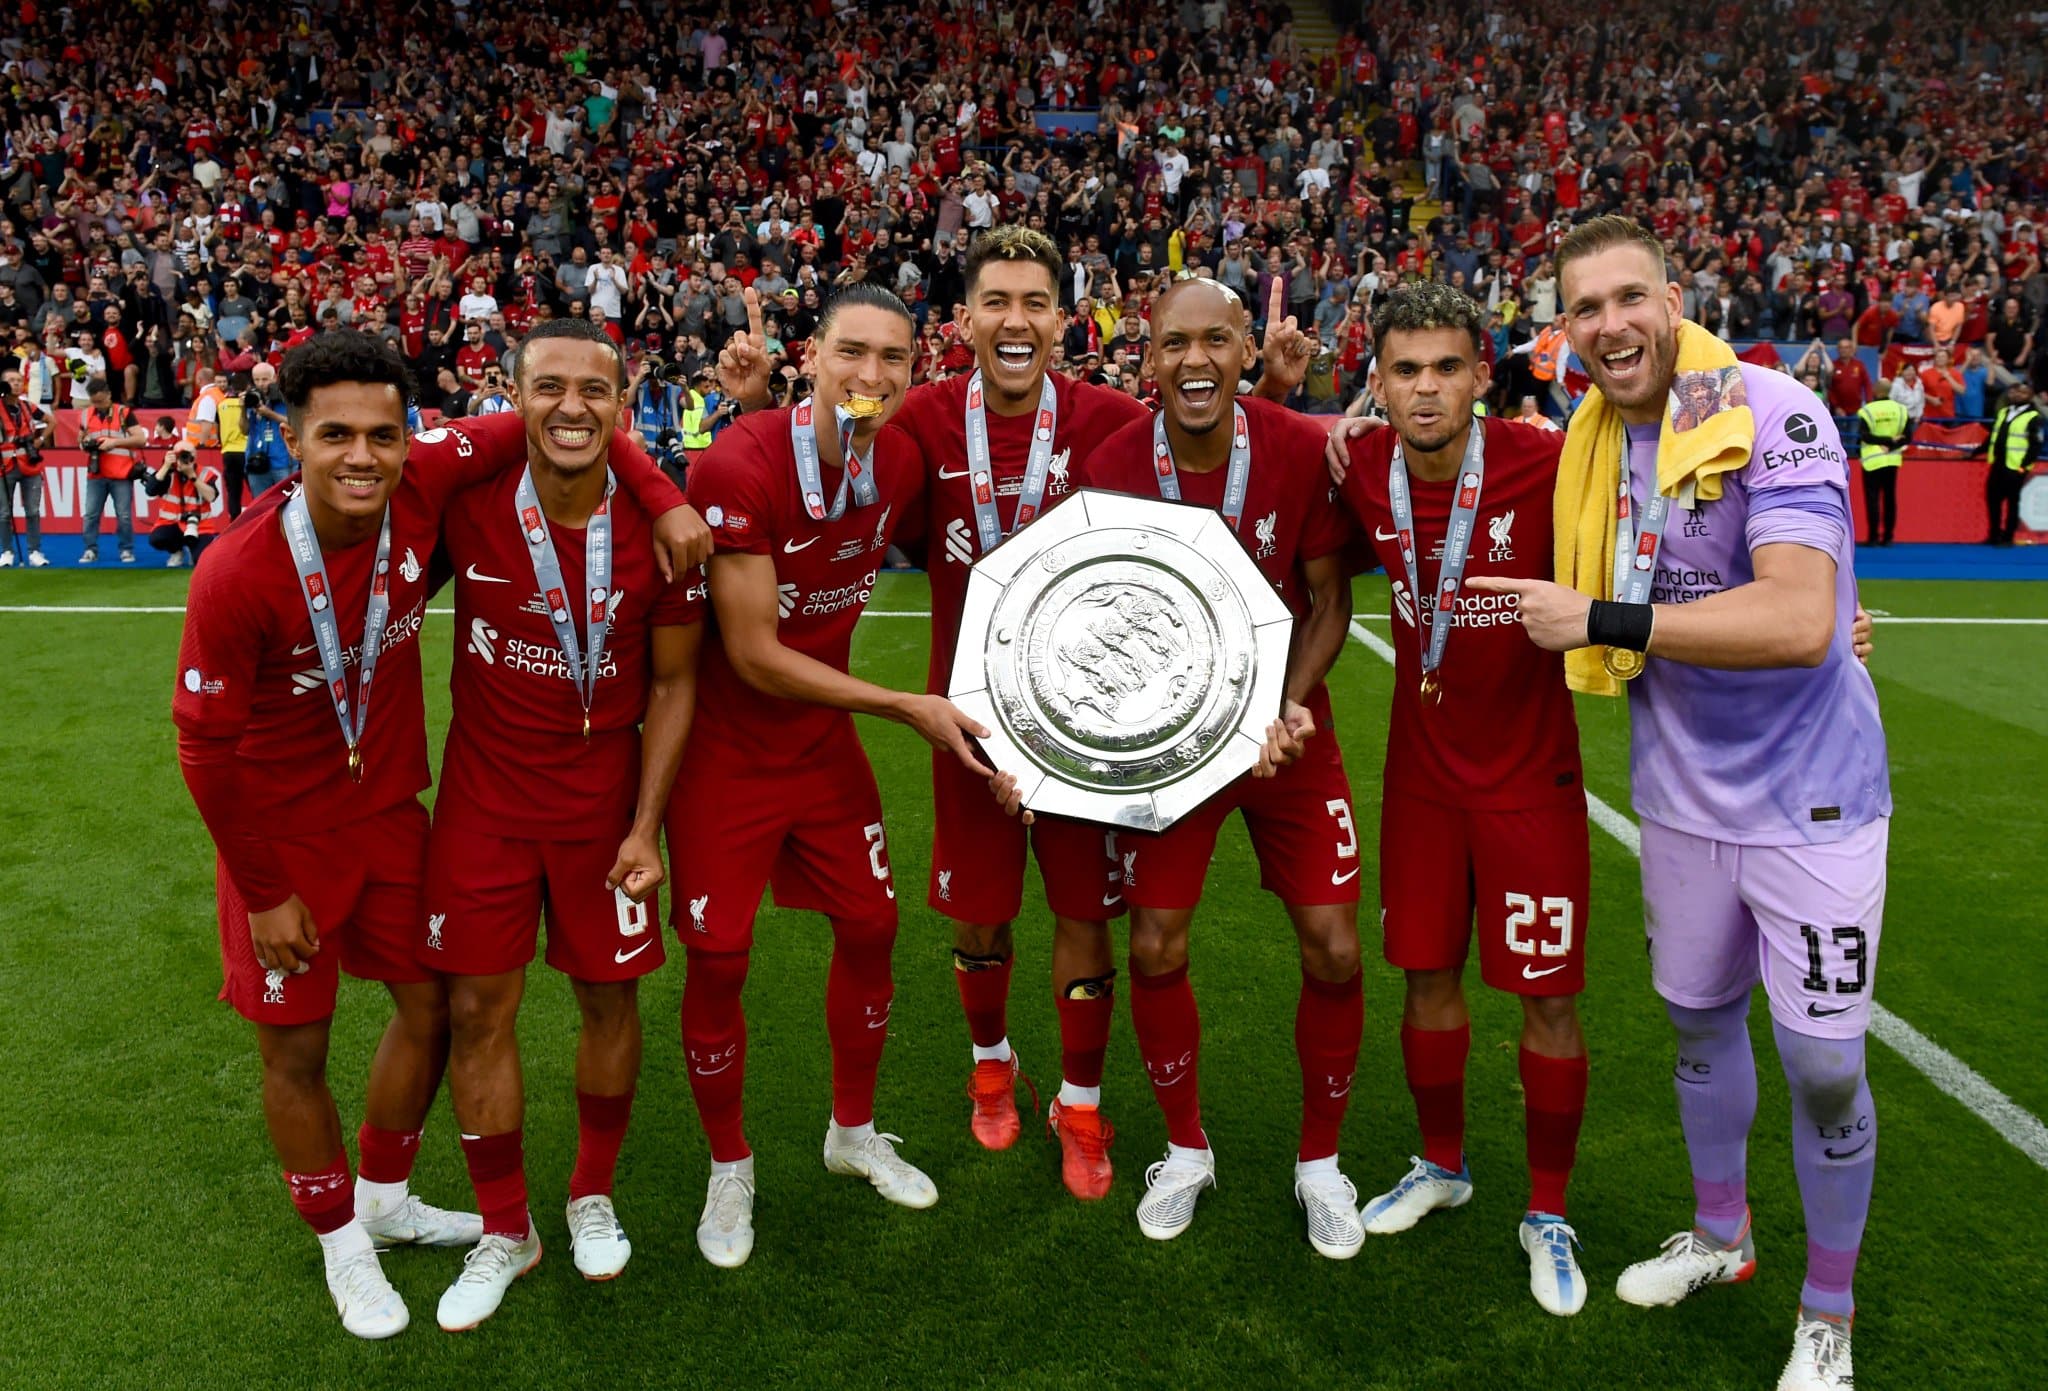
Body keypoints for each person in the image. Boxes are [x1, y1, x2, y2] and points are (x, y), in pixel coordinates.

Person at [716, 234, 1315, 1192]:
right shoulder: (916, 421)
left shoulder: (1117, 420)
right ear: (964, 323)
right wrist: (753, 407)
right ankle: (990, 1062)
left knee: (1085, 916)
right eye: (995, 300)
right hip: (970, 725)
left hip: (1089, 729)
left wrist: (1281, 397)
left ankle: (1079, 1103)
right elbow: (824, 466)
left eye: (1036, 302)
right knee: (981, 917)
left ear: (1064, 322)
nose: (1015, 321)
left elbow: (1227, 461)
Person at [172, 332, 701, 1342]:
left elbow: (575, 417)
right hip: (282, 842)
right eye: (334, 435)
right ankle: (342, 1242)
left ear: (411, 436)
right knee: (296, 1051)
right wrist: (262, 886)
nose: (361, 455)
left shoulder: (427, 483)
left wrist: (663, 490)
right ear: (290, 438)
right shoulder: (239, 571)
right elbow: (202, 748)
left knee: (430, 1011)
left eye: (380, 432)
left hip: (390, 816)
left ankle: (385, 1193)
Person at [1472, 216, 1890, 1391]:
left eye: (1628, 297)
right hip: (1680, 799)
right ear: (1562, 332)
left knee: (1819, 1063)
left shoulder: (1770, 410)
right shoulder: (1586, 441)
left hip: (1813, 802)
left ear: (1674, 299)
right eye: (1582, 308)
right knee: (1698, 1021)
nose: (1609, 325)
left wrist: (1603, 621)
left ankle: (1827, 1312)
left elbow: (1802, 621)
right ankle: (1722, 1239)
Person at [671, 284, 984, 1269]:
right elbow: (755, 653)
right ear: (813, 353)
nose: (872, 375)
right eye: (853, 351)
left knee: (872, 925)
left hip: (820, 753)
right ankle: (730, 1164)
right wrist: (905, 707)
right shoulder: (740, 461)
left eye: (893, 358)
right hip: (725, 754)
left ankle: (850, 1132)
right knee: (718, 959)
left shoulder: (894, 458)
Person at [1068, 278, 1364, 1255]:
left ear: (1246, 350)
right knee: (1154, 943)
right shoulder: (1111, 464)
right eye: (1172, 344)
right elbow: (1096, 614)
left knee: (1332, 947)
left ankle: (1319, 1160)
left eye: (1215, 342)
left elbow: (1328, 601)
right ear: (1145, 359)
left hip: (1283, 733)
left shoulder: (1289, 446)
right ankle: (1185, 1148)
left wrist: (1283, 702)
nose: (1193, 360)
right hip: (1173, 744)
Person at [425, 318, 706, 1331]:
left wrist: (647, 828)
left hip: (602, 818)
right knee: (474, 1015)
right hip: (483, 809)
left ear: (624, 408)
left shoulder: (660, 529)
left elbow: (674, 685)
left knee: (608, 1005)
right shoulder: (464, 506)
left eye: (596, 389)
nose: (572, 406)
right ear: (516, 397)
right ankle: (507, 1226)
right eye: (548, 386)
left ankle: (589, 1192)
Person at [1325, 282, 1592, 1316]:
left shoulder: (1547, 461)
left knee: (1547, 997)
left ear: (1484, 373)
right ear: (1377, 382)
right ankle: (1441, 1163)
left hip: (1532, 784)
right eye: (1404, 369)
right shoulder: (1352, 464)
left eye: (1445, 367)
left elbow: (1661, 541)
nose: (1425, 387)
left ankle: (1548, 1208)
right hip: (1423, 785)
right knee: (1424, 979)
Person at [77, 376, 147, 564]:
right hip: (96, 472)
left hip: (121, 473)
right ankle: (90, 549)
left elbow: (141, 439)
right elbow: (81, 439)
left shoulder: (124, 412)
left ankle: (126, 549)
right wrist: (85, 444)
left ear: (109, 395)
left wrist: (114, 442)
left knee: (123, 515)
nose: (98, 405)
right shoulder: (85, 415)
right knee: (91, 514)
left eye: (101, 400)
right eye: (94, 401)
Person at [140, 441, 223, 567]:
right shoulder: (168, 473)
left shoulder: (204, 473)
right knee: (157, 538)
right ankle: (176, 551)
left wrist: (192, 476)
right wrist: (166, 466)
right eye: (179, 455)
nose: (182, 460)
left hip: (200, 526)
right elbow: (150, 490)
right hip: (172, 524)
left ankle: (193, 549)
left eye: (186, 456)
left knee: (200, 561)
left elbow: (211, 496)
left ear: (194, 458)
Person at [0, 367, 52, 566]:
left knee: (32, 511)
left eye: (19, 380)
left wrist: (40, 441)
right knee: (4, 513)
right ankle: (6, 551)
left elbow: (51, 421)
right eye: (11, 380)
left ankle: (35, 551)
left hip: (29, 465)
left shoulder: (28, 407)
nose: (16, 384)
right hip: (5, 466)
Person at [1985, 383, 2040, 546]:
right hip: (1998, 463)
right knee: (1992, 499)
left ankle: (2008, 536)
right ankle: (1994, 534)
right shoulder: (2003, 412)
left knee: (2012, 502)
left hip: (2015, 466)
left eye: (2022, 392)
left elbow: (2035, 445)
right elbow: (1993, 435)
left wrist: (2023, 466)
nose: (2016, 395)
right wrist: (1977, 451)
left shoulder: (2033, 416)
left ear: (2029, 396)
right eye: (2014, 391)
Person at [1854, 389, 1910, 547]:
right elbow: (1908, 436)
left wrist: (1882, 442)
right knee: (1890, 498)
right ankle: (1888, 537)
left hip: (1872, 460)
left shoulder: (1867, 411)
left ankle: (1873, 537)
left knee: (1873, 500)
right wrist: (1890, 442)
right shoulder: (1901, 410)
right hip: (1892, 459)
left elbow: (1864, 436)